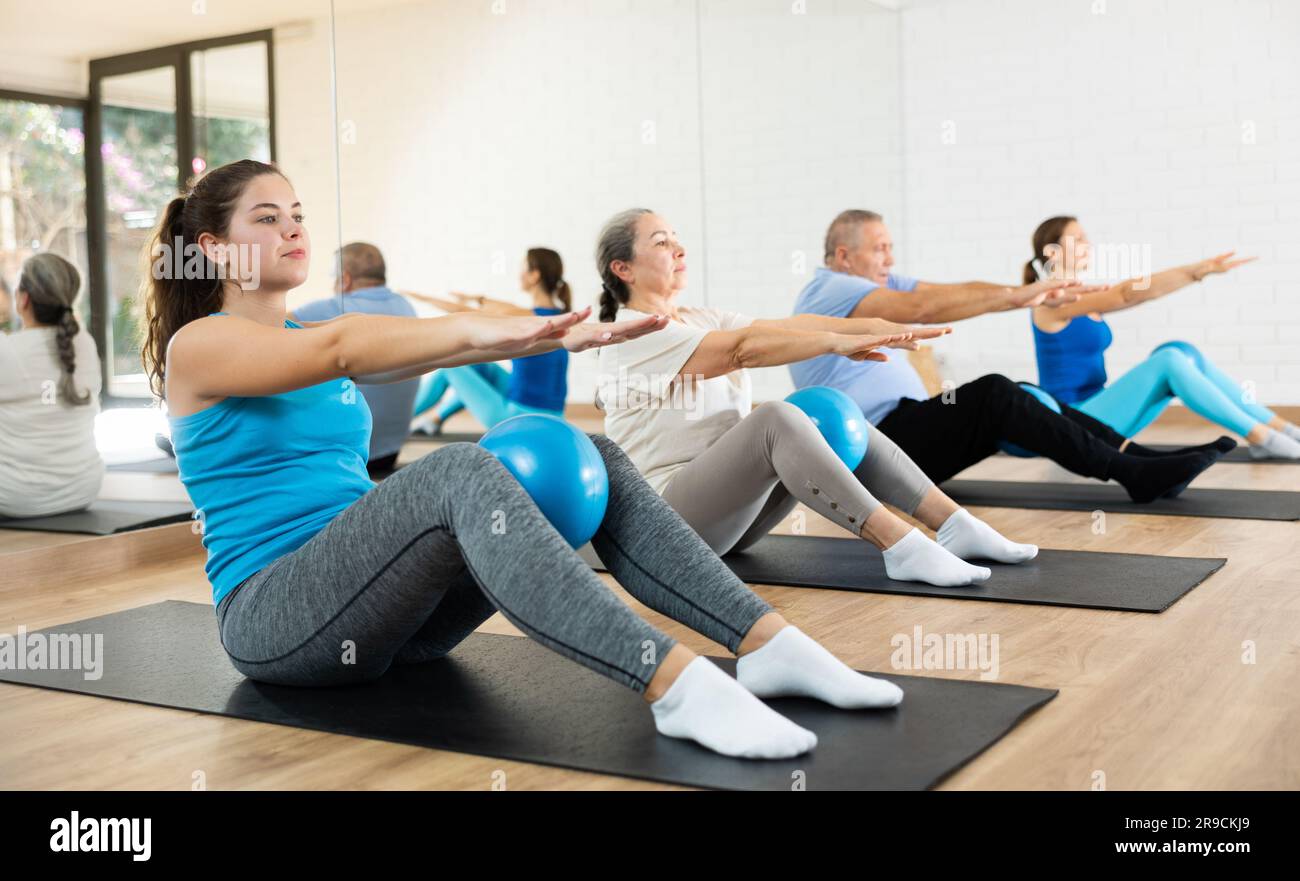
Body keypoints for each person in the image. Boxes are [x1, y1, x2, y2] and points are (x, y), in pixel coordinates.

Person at [142, 159, 913, 762]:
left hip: (388, 618)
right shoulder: (200, 345)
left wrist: (542, 329)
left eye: (299, 215)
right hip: (278, 618)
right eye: (267, 218)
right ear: (212, 247)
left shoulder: (307, 322)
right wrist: (526, 333)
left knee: (593, 452)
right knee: (460, 470)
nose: (293, 229)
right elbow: (346, 348)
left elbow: (376, 341)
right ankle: (676, 685)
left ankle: (770, 644)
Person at [595, 208, 1040, 589]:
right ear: (624, 268)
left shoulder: (701, 318)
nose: (679, 248)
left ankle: (955, 525)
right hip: (667, 523)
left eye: (676, 238)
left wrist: (881, 329)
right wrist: (835, 344)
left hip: (728, 518)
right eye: (661, 242)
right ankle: (900, 545)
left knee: (822, 408)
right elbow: (741, 349)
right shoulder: (628, 335)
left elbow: (794, 327)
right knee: (774, 418)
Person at [789, 209, 1226, 501]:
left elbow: (946, 291)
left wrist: (1018, 293)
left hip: (906, 426)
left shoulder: (867, 282)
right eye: (879, 248)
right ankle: (1132, 473)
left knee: (1021, 392)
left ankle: (1144, 460)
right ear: (844, 256)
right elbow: (922, 309)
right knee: (994, 392)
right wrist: (1016, 297)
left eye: (890, 247)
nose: (890, 257)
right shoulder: (833, 288)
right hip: (878, 446)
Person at [1026, 215, 1297, 459]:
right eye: (1078, 239)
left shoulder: (1082, 296)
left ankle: (1278, 427)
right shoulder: (1050, 301)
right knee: (1168, 361)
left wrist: (1196, 272)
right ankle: (1260, 436)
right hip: (1071, 421)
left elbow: (1129, 295)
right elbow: (1126, 294)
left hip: (1100, 410)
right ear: (1053, 252)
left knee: (1179, 350)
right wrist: (1196, 271)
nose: (1089, 244)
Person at [286, 242, 421, 475]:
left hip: (349, 460)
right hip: (389, 454)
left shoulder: (331, 307)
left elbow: (261, 336)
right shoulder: (405, 305)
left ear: (345, 279)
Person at [406, 248, 571, 434]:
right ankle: (434, 420)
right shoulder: (559, 316)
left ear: (535, 275)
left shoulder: (525, 317)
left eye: (523, 268)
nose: (519, 274)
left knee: (450, 366)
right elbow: (500, 307)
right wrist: (476, 298)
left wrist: (425, 299)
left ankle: (398, 419)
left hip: (520, 418)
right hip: (555, 415)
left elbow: (462, 312)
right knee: (481, 367)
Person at [0, 253, 104, 518]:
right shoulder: (85, 344)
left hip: (14, 498)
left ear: (23, 299)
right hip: (83, 490)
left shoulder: (8, 351)